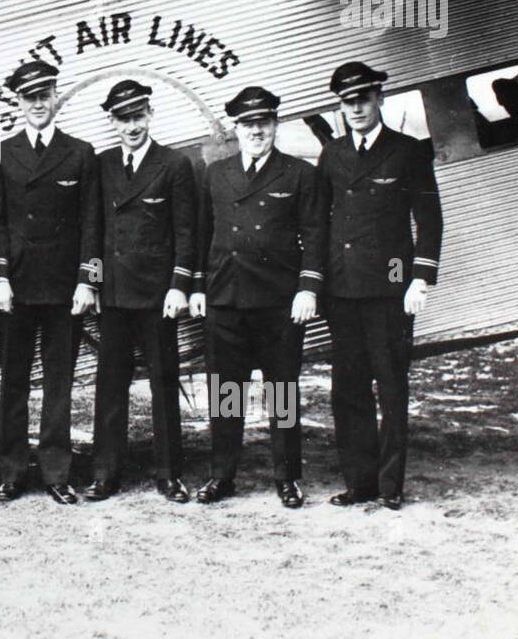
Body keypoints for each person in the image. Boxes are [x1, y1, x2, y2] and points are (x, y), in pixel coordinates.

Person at [189, 86, 325, 508]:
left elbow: (316, 234)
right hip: (226, 299)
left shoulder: (299, 173)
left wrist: (308, 287)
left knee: (281, 391)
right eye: (248, 124)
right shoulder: (216, 173)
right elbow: (201, 234)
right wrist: (197, 288)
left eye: (263, 123)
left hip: (278, 303)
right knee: (226, 391)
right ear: (236, 128)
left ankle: (287, 477)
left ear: (275, 125)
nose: (256, 131)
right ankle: (223, 475)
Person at [318, 62, 443, 511]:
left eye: (363, 100)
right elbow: (320, 224)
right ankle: (360, 483)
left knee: (391, 389)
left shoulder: (407, 151)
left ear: (379, 101)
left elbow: (429, 219)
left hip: (391, 291)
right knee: (347, 391)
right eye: (347, 102)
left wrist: (419, 278)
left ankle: (391, 486)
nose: (355, 108)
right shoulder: (331, 155)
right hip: (343, 292)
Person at [0, 59, 101, 504]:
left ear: (56, 97)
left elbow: (91, 223)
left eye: (44, 95)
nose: (38, 103)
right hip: (14, 287)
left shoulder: (81, 152)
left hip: (62, 288)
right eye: (29, 97)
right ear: (18, 102)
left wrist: (87, 281)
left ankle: (56, 472)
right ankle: (11, 472)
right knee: (13, 380)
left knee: (59, 381)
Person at [85, 79, 196, 503]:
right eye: (122, 118)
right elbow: (93, 228)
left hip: (157, 296)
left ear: (150, 115)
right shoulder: (103, 164)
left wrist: (179, 284)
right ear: (112, 122)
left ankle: (169, 474)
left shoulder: (174, 164)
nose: (132, 126)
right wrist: (92, 281)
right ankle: (105, 473)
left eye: (138, 116)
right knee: (110, 384)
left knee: (164, 383)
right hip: (113, 294)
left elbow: (185, 231)